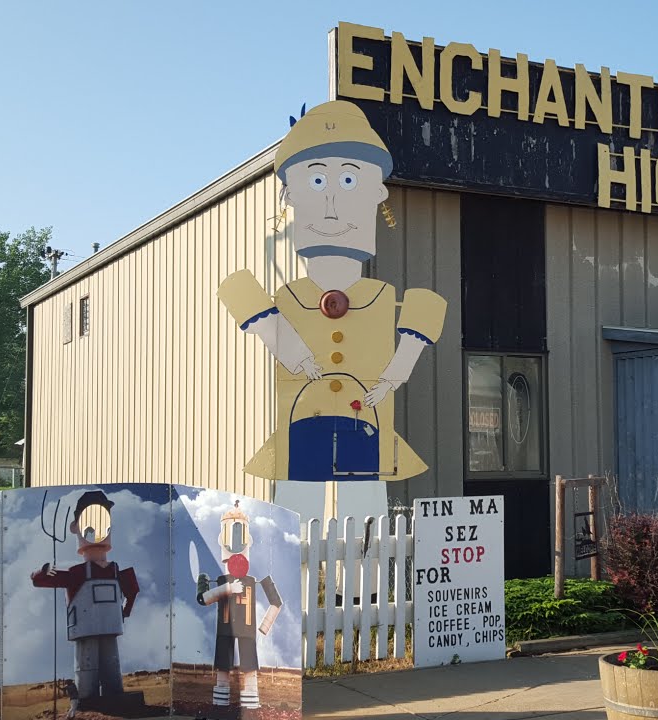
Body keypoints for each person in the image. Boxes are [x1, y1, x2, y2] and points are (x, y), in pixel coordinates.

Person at [217, 100, 445, 483]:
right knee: (299, 502)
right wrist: (299, 356)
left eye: (350, 180)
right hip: (303, 421)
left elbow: (421, 321)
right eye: (316, 181)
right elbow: (240, 296)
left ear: (378, 193)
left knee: (365, 498)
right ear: (289, 196)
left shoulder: (386, 297)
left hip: (367, 423)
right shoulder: (284, 297)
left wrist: (390, 379)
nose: (332, 205)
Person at [31, 490, 141, 714]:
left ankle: (111, 697)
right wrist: (42, 570)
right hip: (86, 629)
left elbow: (133, 589)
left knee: (112, 666)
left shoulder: (115, 570)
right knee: (87, 667)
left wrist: (125, 611)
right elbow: (39, 580)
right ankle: (85, 701)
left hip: (109, 627)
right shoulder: (77, 573)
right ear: (76, 527)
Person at [196, 500, 282, 710]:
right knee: (223, 667)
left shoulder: (254, 579)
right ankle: (220, 705)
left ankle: (250, 704)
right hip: (226, 628)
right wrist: (227, 589)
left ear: (248, 539)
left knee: (249, 667)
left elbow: (276, 602)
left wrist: (264, 626)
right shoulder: (221, 579)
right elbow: (203, 598)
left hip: (247, 629)